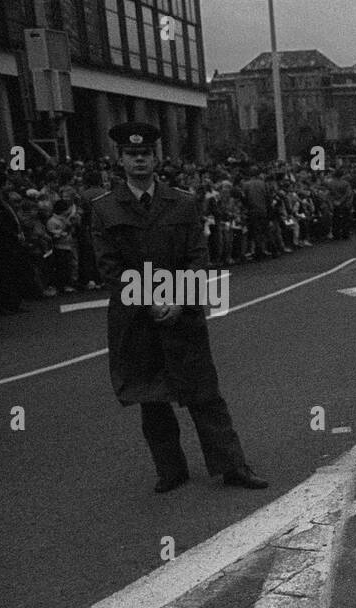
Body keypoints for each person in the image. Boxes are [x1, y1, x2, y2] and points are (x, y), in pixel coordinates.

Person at [90, 122, 268, 494]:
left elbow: (197, 257)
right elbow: (110, 268)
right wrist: (151, 301)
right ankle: (171, 470)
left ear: (156, 158)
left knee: (205, 393)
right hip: (137, 320)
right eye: (131, 155)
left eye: (145, 154)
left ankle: (232, 466)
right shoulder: (105, 210)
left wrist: (175, 299)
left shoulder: (183, 202)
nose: (139, 160)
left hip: (181, 313)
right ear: (120, 161)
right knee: (151, 399)